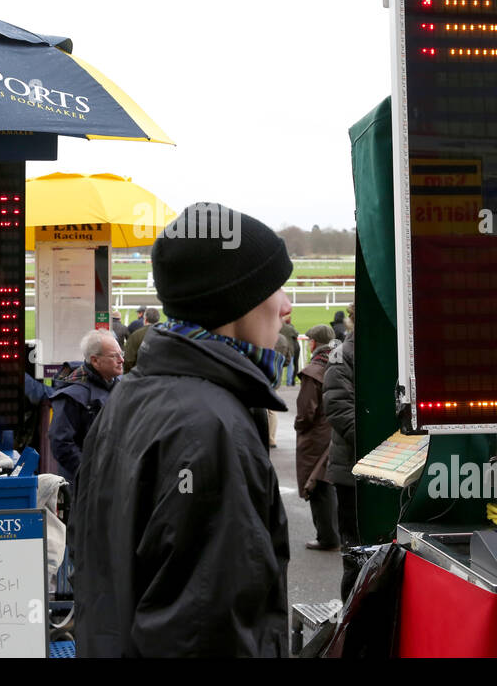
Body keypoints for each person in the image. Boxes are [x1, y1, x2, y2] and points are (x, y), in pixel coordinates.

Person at [72, 202, 293, 657]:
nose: (287, 307)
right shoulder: (210, 427)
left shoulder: (132, 393)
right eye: (276, 287)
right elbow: (205, 631)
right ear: (237, 298)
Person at [47, 329, 122, 485]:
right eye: (114, 356)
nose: (121, 360)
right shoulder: (72, 396)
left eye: (122, 353)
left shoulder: (123, 387)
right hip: (85, 485)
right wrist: (89, 474)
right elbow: (61, 443)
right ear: (95, 360)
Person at [322, 304, 358, 600]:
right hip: (352, 472)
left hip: (392, 469)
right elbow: (336, 407)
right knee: (356, 556)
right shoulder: (342, 353)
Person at [295, 324, 338, 551]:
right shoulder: (340, 362)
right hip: (334, 432)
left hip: (316, 435)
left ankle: (327, 536)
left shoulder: (313, 371)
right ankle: (333, 533)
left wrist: (298, 426)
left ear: (313, 343)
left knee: (317, 486)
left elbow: (305, 411)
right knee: (328, 483)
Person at [121, 306, 159, 372]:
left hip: (140, 374)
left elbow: (128, 360)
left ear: (145, 319)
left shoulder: (135, 334)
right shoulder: (166, 333)